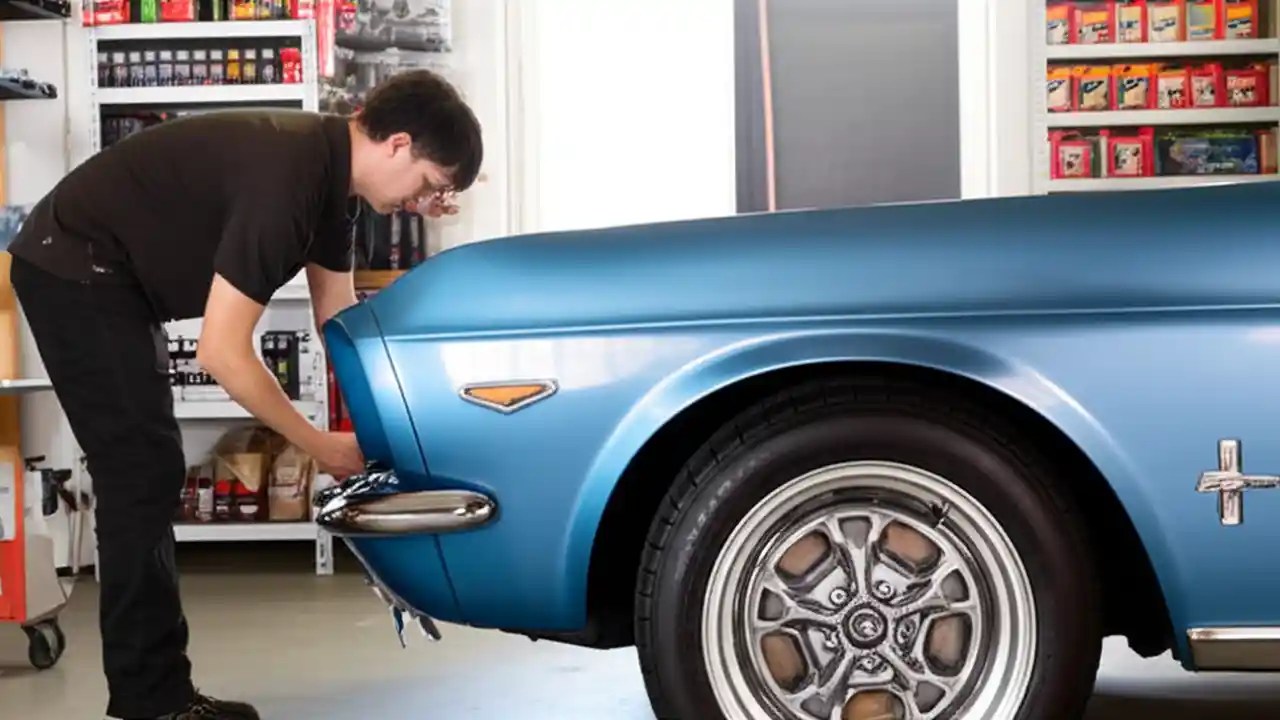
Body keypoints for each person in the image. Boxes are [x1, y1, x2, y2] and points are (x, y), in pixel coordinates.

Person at [6, 69, 483, 720]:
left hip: (111, 276)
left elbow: (336, 321)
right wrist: (319, 445)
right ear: (398, 144)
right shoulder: (289, 179)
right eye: (427, 185)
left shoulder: (328, 184)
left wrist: (395, 424)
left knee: (145, 468)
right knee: (139, 471)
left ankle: (158, 693)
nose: (419, 203)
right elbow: (222, 351)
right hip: (74, 265)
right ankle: (153, 702)